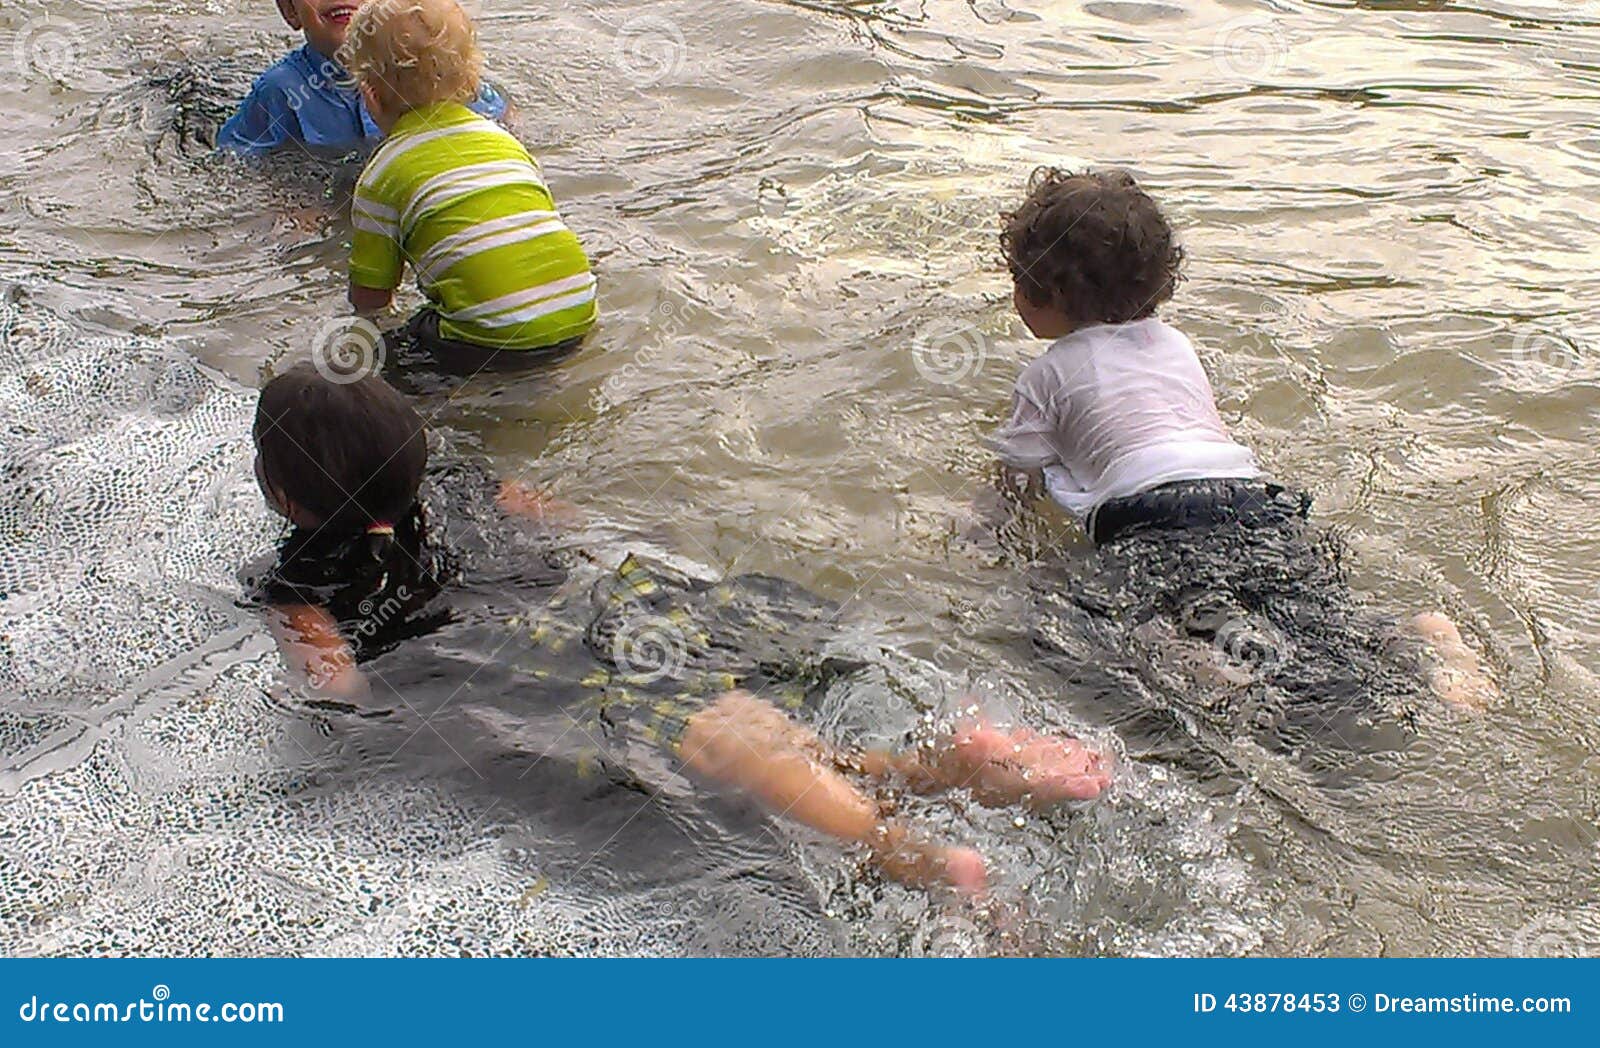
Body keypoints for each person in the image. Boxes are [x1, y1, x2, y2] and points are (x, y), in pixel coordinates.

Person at [248, 363, 1111, 894]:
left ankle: (906, 852)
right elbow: (564, 523)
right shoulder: (468, 485)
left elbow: (339, 687)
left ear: (284, 496)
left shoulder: (299, 581)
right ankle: (939, 770)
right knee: (724, 707)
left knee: (709, 734)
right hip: (614, 605)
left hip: (530, 660)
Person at [989, 167, 1495, 713]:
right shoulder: (1176, 345)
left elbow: (1013, 486)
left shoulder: (1044, 375)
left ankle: (1211, 664)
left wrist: (984, 536)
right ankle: (1418, 638)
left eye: (1019, 277)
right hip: (1253, 500)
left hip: (1148, 517)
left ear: (1051, 290)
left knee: (1152, 619)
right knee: (1309, 608)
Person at [338, 0, 597, 371]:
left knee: (380, 358)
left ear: (370, 94)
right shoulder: (505, 142)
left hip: (490, 342)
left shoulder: (382, 173)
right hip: (577, 314)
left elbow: (371, 299)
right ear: (472, 79)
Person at [217, 1, 509, 157]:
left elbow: (498, 115)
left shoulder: (427, 63)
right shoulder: (282, 91)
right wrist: (285, 203)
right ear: (290, 11)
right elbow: (237, 159)